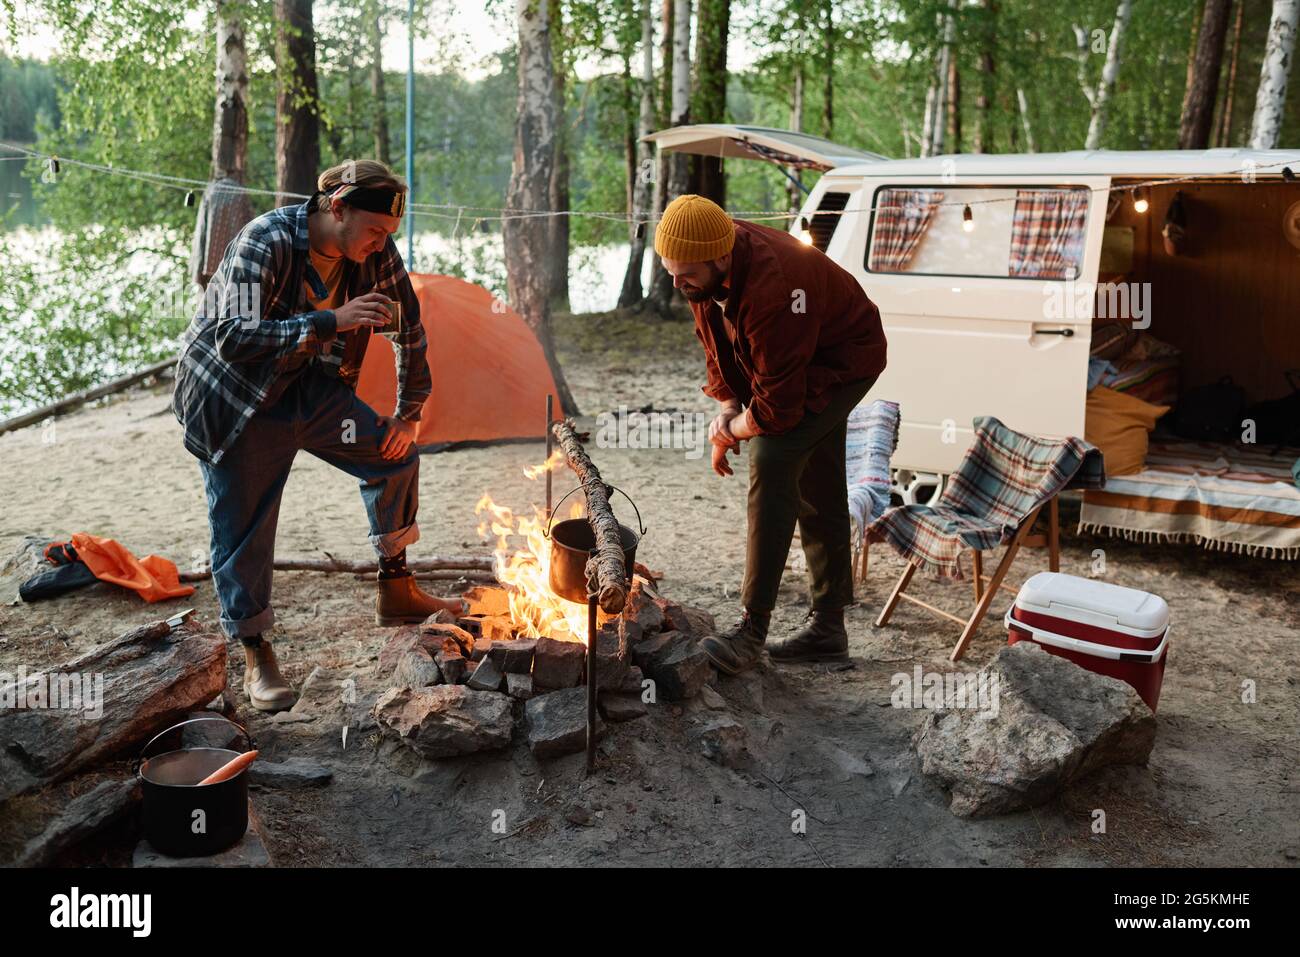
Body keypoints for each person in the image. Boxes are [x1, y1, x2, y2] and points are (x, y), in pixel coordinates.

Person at [172, 159, 461, 712]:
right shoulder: (266, 241)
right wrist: (333, 321)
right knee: (245, 525)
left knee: (394, 456)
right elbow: (235, 337)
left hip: (313, 388)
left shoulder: (372, 250)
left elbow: (410, 326)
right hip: (238, 398)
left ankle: (396, 590)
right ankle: (256, 649)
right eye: (375, 231)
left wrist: (409, 411)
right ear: (337, 208)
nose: (382, 246)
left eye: (388, 236)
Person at [654, 194, 888, 675]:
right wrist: (727, 406)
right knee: (816, 478)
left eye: (686, 274)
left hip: (845, 359)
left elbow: (778, 411)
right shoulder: (704, 261)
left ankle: (751, 630)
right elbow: (714, 342)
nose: (677, 285)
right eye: (669, 272)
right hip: (798, 357)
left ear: (722, 257)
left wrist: (729, 434)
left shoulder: (774, 287)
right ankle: (828, 631)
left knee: (775, 458)